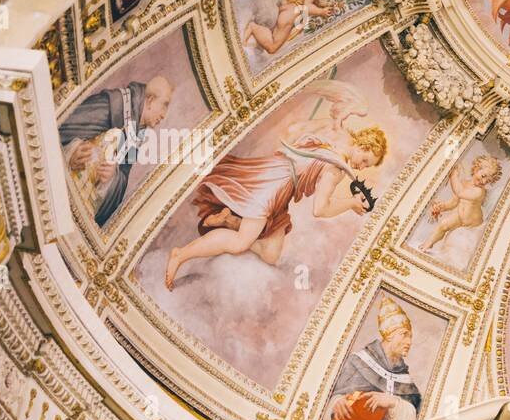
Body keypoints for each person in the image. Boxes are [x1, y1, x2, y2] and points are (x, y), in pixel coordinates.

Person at [164, 81, 385, 290]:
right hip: (277, 186)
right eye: (366, 160)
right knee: (241, 243)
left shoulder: (333, 127)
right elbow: (320, 210)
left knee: (270, 254)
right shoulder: (336, 169)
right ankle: (180, 255)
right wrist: (351, 203)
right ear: (364, 144)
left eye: (366, 166)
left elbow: (292, 131)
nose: (362, 167)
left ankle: (231, 221)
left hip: (276, 174)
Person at [59, 76, 175, 226]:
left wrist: (112, 178)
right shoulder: (115, 104)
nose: (164, 115)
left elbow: (121, 180)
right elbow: (63, 128)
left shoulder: (137, 135)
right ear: (150, 100)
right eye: (164, 105)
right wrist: (73, 150)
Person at [329, 297, 421, 420]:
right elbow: (327, 395)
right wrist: (337, 402)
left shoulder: (406, 382)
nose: (409, 342)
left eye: (410, 337)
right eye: (404, 335)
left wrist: (393, 402)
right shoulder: (357, 362)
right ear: (389, 335)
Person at [421, 155, 502, 252]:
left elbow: (460, 193)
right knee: (443, 225)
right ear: (476, 168)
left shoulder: (479, 192)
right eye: (483, 176)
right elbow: (454, 203)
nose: (484, 181)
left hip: (472, 224)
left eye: (488, 181)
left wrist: (453, 175)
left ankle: (429, 244)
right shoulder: (463, 183)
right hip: (459, 217)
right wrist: (442, 207)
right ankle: (428, 243)